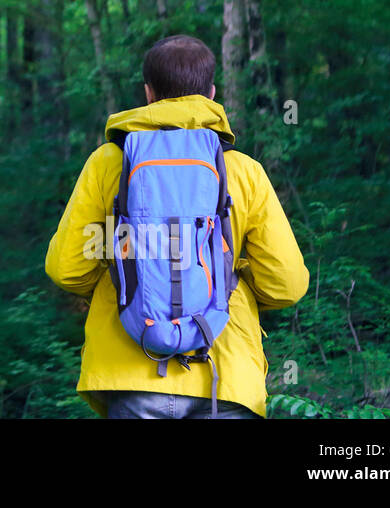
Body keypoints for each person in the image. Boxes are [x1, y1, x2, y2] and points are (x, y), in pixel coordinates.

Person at [45, 34, 308, 418]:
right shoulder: (244, 172)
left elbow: (65, 268)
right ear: (212, 93)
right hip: (224, 375)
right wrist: (231, 272)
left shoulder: (107, 163)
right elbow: (287, 284)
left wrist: (123, 276)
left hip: (130, 372)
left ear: (148, 94)